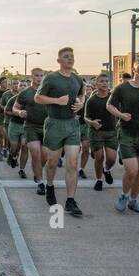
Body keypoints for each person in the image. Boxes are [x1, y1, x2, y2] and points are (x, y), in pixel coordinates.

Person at [35, 47, 87, 218]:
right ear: (59, 60)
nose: (70, 59)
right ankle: (49, 185)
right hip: (54, 124)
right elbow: (38, 98)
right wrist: (57, 101)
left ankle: (70, 200)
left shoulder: (77, 79)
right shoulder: (51, 78)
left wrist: (80, 103)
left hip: (72, 124)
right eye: (66, 57)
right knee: (52, 162)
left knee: (72, 163)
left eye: (72, 56)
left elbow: (82, 94)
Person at [108, 56, 139, 214]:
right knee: (132, 170)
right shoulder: (122, 88)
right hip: (127, 133)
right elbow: (109, 105)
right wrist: (121, 115)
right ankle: (123, 195)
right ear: (134, 69)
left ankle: (133, 200)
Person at [15, 67, 49, 195]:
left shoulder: (48, 92)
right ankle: (40, 183)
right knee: (35, 153)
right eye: (36, 75)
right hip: (30, 127)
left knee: (44, 156)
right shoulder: (25, 93)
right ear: (31, 77)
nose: (39, 78)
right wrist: (19, 112)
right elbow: (15, 107)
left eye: (41, 75)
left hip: (46, 127)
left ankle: (37, 172)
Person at [84, 73, 118, 191]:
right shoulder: (92, 100)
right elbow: (86, 117)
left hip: (112, 132)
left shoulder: (113, 98)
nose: (104, 83)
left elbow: (119, 112)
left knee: (112, 159)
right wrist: (92, 123)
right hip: (96, 133)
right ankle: (99, 180)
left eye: (106, 81)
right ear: (96, 84)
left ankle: (107, 170)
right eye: (102, 81)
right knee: (99, 157)